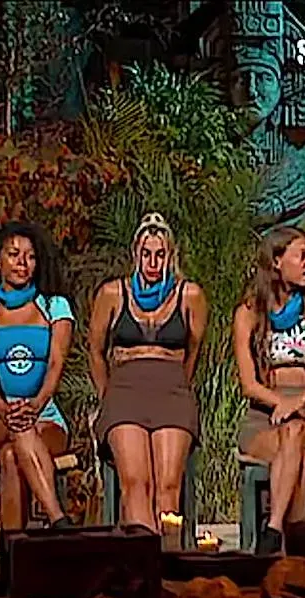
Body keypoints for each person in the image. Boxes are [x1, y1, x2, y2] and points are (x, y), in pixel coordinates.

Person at [88, 213, 207, 535]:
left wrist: (178, 383)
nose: (153, 262)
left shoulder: (190, 295)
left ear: (171, 255)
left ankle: (166, 555)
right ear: (135, 254)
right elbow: (95, 350)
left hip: (172, 389)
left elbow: (194, 351)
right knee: (136, 482)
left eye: (160, 254)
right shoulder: (113, 293)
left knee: (167, 485)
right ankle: (142, 553)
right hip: (125, 390)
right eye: (146, 253)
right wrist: (106, 395)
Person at [0, 222, 76, 531]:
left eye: (30, 256)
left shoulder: (55, 306)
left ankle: (13, 548)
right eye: (13, 255)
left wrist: (36, 404)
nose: (22, 263)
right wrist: (3, 408)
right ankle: (58, 520)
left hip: (44, 412)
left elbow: (56, 363)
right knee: (18, 427)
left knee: (12, 455)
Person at [233, 227, 305, 555]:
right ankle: (296, 545)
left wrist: (301, 404)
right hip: (262, 419)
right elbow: (249, 384)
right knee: (301, 461)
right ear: (277, 261)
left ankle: (273, 529)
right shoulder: (249, 312)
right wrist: (288, 405)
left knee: (293, 433)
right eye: (301, 256)